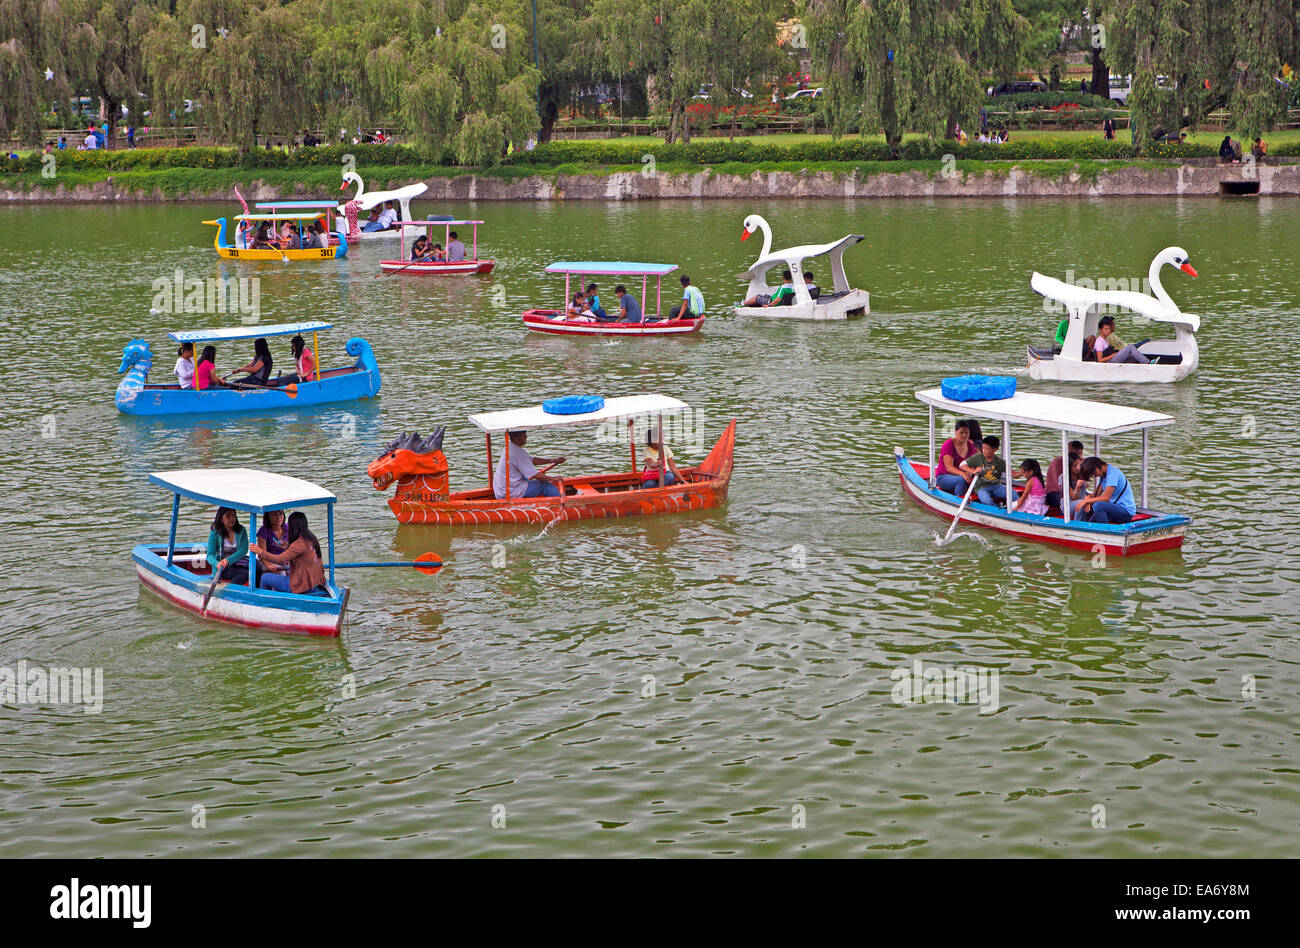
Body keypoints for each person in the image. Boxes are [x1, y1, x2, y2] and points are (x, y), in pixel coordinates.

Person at [250, 512, 329, 595]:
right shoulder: (312, 538)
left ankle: (267, 600)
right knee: (283, 572)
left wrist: (260, 551)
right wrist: (288, 547)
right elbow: (300, 553)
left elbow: (279, 559)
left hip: (301, 585)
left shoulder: (298, 544)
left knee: (264, 578)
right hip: (314, 583)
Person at [493, 430, 565, 499]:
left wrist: (554, 460)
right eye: (524, 435)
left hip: (501, 490)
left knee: (533, 478)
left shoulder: (509, 446)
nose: (526, 437)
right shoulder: (518, 453)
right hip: (509, 492)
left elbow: (532, 460)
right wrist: (554, 478)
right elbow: (537, 476)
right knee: (544, 485)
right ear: (516, 438)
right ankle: (562, 504)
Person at [1073, 456, 1136, 524]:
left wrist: (1087, 501)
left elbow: (1106, 498)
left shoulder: (1113, 474)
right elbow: (1096, 495)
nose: (1095, 476)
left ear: (1097, 465)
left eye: (1094, 473)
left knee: (1098, 505)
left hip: (1125, 512)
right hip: (1113, 508)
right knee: (1082, 505)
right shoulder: (1104, 476)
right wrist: (1087, 498)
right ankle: (1079, 527)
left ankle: (1104, 530)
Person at [206, 506, 249, 585]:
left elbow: (243, 549)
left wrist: (228, 560)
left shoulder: (241, 530)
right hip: (223, 567)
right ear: (221, 519)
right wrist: (217, 563)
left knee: (258, 568)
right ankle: (229, 593)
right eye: (228, 516)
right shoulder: (215, 532)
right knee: (243, 574)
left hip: (240, 562)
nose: (232, 519)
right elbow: (210, 555)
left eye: (233, 516)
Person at [959, 435, 1007, 506]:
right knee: (986, 500)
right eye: (983, 448)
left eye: (987, 449)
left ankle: (1018, 511)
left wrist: (1022, 472)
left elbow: (1012, 474)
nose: (983, 450)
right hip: (982, 487)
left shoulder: (1000, 462)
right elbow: (962, 465)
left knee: (1013, 494)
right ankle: (996, 513)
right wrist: (973, 471)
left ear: (994, 449)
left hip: (996, 486)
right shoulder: (978, 457)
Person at [935, 419, 979, 496]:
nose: (964, 435)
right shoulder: (948, 444)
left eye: (966, 433)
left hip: (963, 474)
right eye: (961, 432)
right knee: (961, 480)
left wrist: (972, 473)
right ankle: (958, 501)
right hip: (943, 477)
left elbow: (972, 465)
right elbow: (949, 468)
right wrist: (963, 474)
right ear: (955, 432)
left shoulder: (971, 446)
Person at [1046, 441, 1084, 510]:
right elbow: (1059, 485)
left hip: (1073, 491)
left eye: (1081, 453)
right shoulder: (1057, 462)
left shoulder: (1080, 462)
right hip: (1055, 492)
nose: (1079, 457)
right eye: (1076, 454)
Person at [255, 510, 291, 582]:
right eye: (274, 515)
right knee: (281, 574)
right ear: (268, 517)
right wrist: (268, 565)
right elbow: (262, 554)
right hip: (269, 561)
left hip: (285, 560)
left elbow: (291, 549)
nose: (278, 517)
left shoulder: (287, 528)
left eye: (280, 514)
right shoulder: (263, 531)